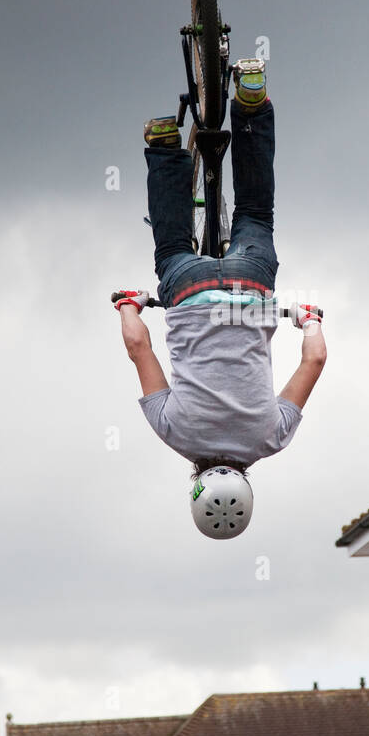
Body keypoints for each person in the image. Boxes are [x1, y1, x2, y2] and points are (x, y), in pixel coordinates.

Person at [115, 59, 326, 539]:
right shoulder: (174, 433)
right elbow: (138, 348)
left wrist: (309, 319)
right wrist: (128, 304)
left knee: (255, 211)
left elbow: (314, 359)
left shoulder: (271, 437)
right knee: (171, 245)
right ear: (194, 489)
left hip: (251, 285)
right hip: (187, 287)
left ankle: (250, 102)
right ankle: (165, 145)